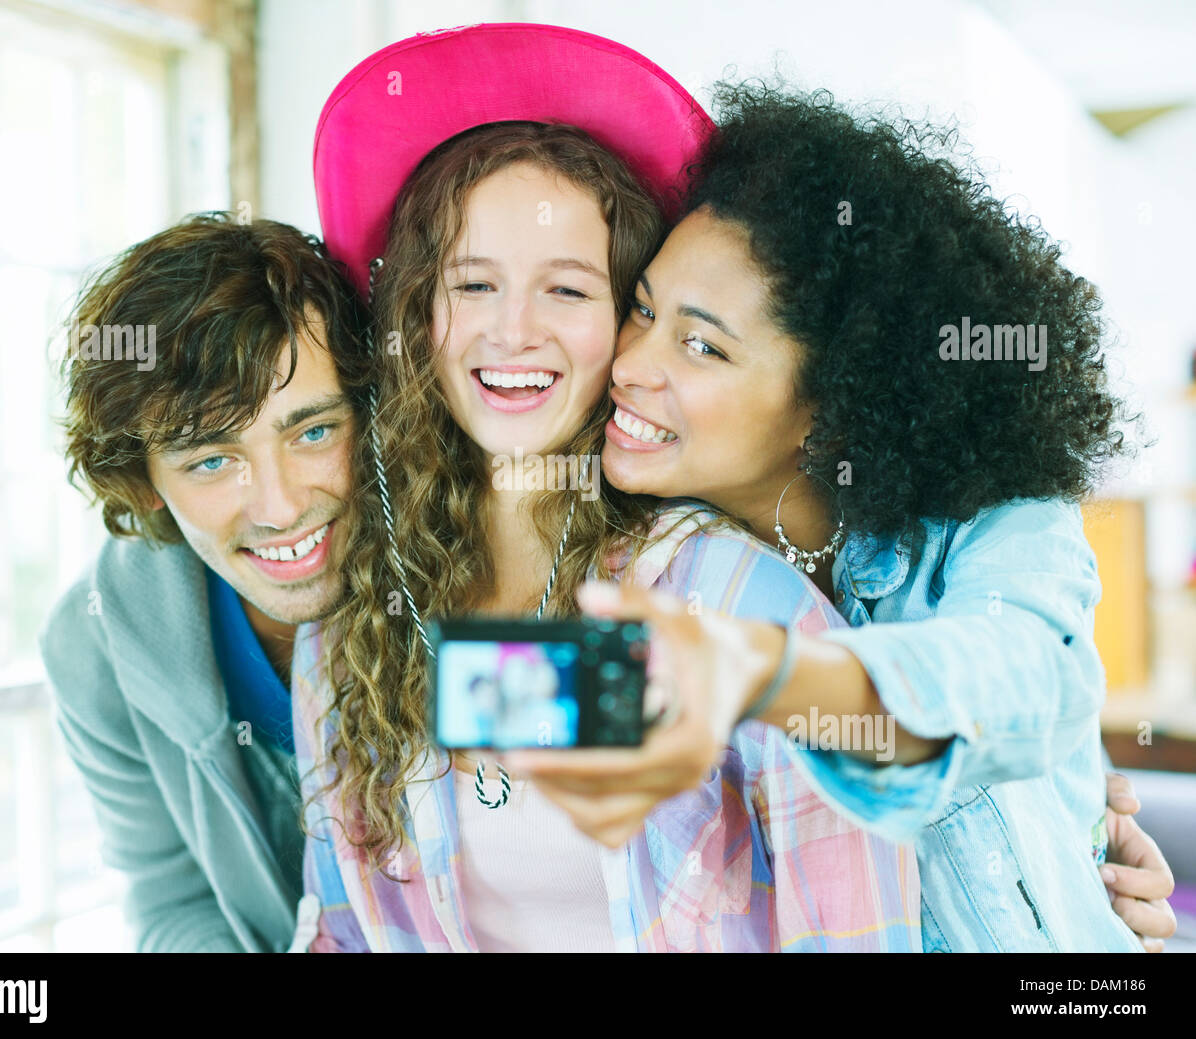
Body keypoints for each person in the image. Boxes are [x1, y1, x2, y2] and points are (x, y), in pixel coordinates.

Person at [292, 24, 920, 953]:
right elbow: (338, 933)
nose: (513, 332)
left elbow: (861, 935)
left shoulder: (737, 604)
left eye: (568, 291)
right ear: (417, 311)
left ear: (626, 323)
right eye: (472, 284)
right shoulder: (346, 637)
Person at [507, 82, 1176, 951]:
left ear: (834, 406)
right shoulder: (645, 556)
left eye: (703, 344)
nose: (632, 363)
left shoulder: (997, 523)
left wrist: (769, 677)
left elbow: (1032, 680)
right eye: (644, 308)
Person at [40, 213, 368, 951]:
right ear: (144, 482)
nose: (280, 506)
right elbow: (172, 900)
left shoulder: (467, 572)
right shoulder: (92, 650)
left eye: (313, 431)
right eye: (211, 461)